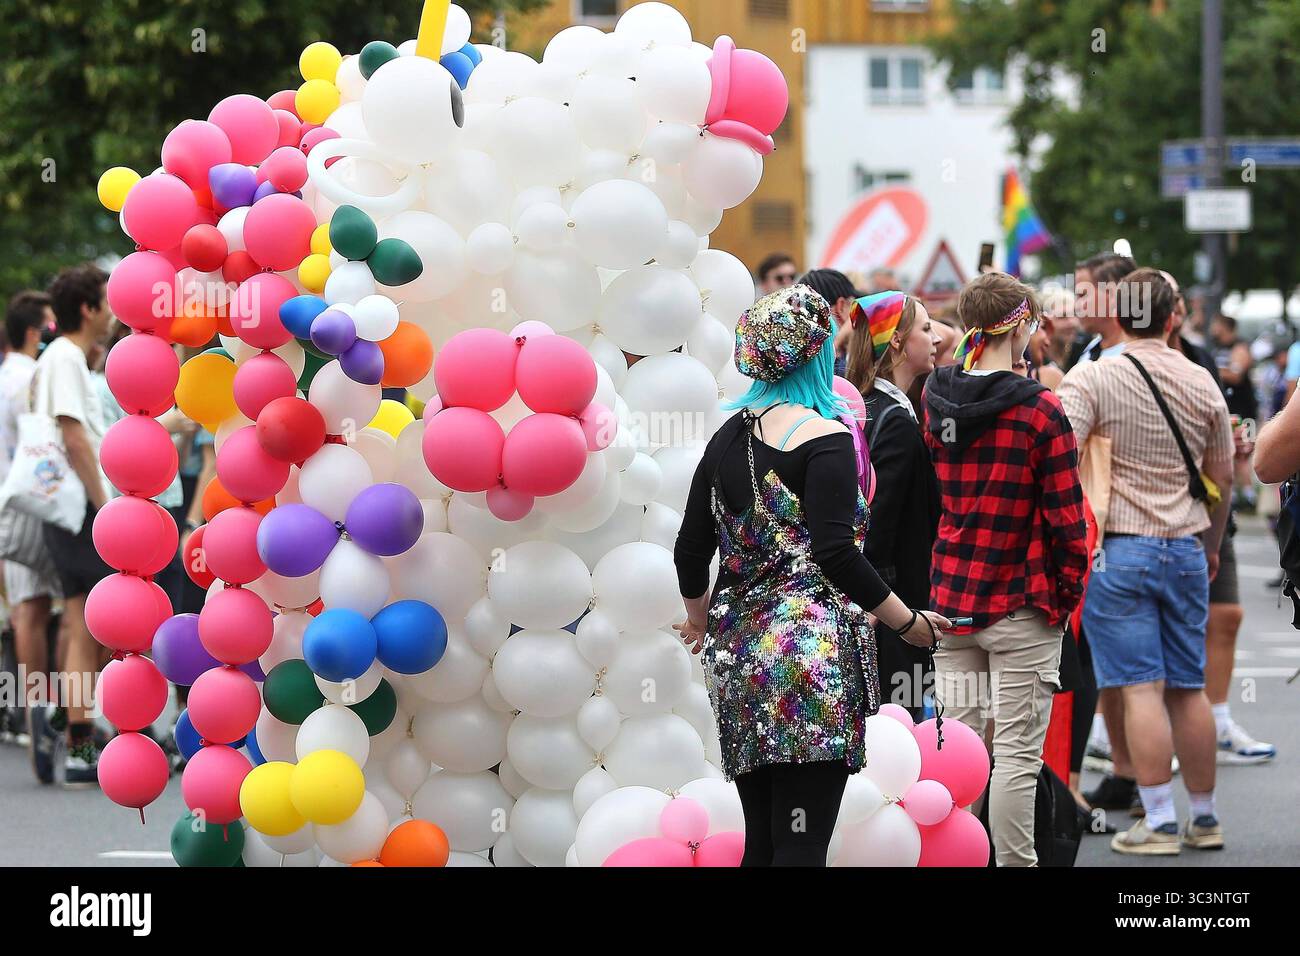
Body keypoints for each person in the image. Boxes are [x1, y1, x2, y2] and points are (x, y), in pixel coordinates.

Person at [673, 284, 950, 867]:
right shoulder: (824, 436)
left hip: (740, 656)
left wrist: (698, 617)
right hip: (810, 655)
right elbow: (838, 554)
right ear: (817, 353)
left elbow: (690, 548)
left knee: (765, 840)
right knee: (803, 841)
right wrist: (908, 622)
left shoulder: (725, 439)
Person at [1058, 268, 1233, 855]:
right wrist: (1209, 546)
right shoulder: (1201, 378)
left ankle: (1158, 821)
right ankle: (1204, 818)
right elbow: (1223, 474)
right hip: (1186, 546)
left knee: (1138, 687)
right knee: (1189, 688)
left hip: (1120, 550)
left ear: (1119, 311)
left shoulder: (1096, 377)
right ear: (1170, 315)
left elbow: (1060, 451)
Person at [924, 271, 1088, 866]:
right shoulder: (1041, 409)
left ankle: (952, 860)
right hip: (1022, 601)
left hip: (952, 597)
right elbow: (1069, 522)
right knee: (1017, 757)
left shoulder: (935, 396)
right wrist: (1063, 599)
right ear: (1019, 324)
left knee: (956, 758)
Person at [30, 264, 115, 788]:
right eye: (105, 302)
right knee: (87, 617)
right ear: (87, 308)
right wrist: (104, 503)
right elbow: (74, 435)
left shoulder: (63, 357)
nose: (111, 312)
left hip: (72, 505)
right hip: (79, 505)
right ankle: (80, 740)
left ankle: (68, 718)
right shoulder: (64, 357)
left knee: (83, 616)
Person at [841, 291, 942, 716]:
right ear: (897, 343)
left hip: (877, 600)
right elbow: (878, 524)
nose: (936, 338)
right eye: (925, 328)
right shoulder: (895, 420)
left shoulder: (863, 406)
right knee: (900, 724)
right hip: (892, 606)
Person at [0, 291, 63, 782]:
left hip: (8, 504)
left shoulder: (5, 374)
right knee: (75, 611)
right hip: (39, 498)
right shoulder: (31, 376)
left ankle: (37, 706)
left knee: (27, 609)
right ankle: (63, 712)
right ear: (34, 330)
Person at [1065, 252, 1136, 369]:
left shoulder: (1138, 358)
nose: (1076, 306)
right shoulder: (1091, 350)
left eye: (1082, 294)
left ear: (1114, 293)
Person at [798, 268, 861, 377]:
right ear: (841, 306)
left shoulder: (798, 361)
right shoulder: (846, 367)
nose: (860, 314)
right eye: (854, 305)